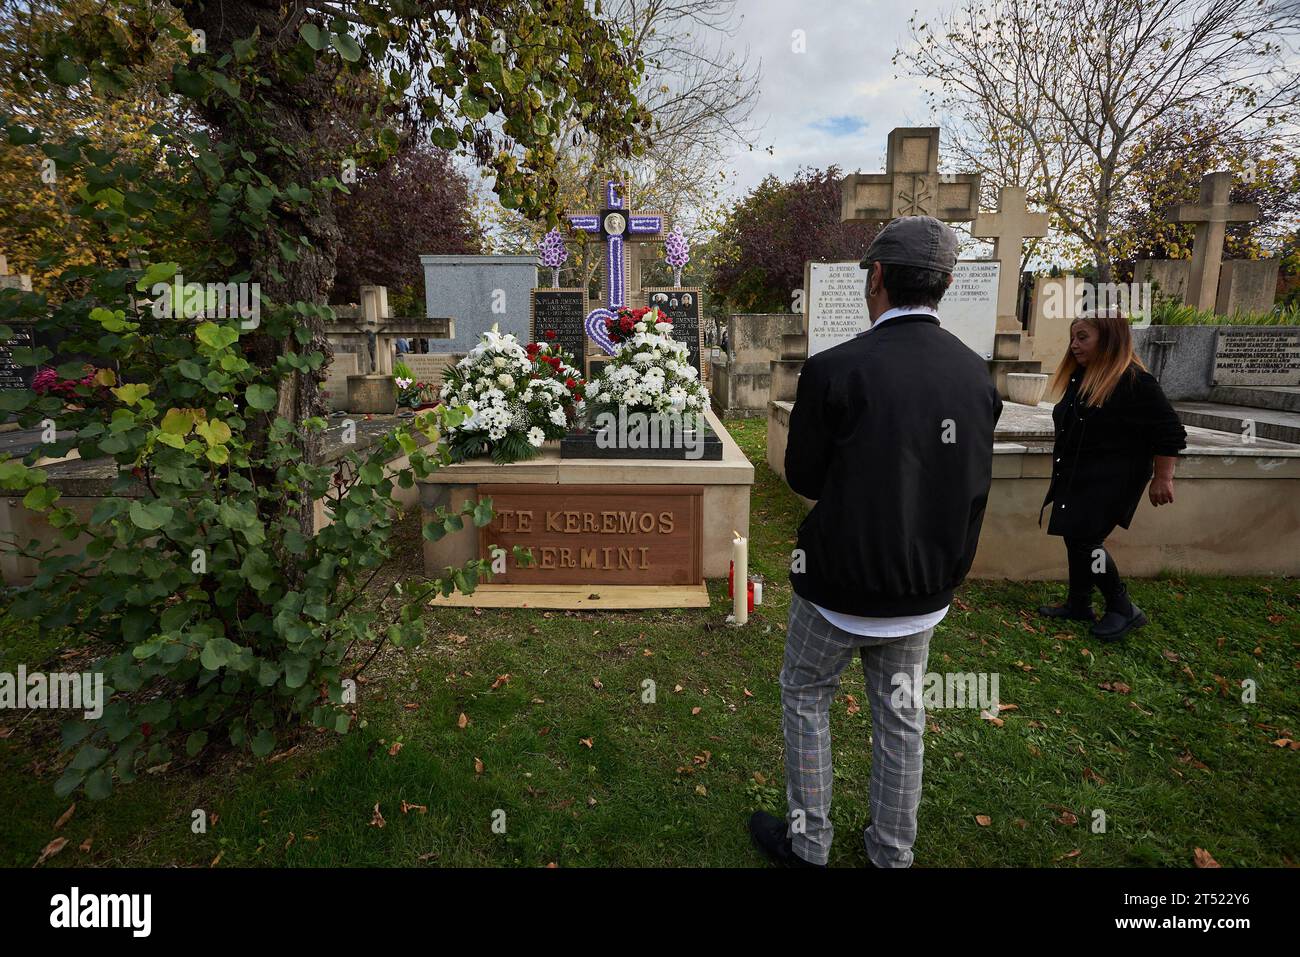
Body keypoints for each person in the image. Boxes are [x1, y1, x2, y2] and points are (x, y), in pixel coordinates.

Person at [749, 216, 1002, 869]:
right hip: (923, 587)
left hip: (837, 583)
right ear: (946, 282)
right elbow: (974, 487)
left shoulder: (837, 368)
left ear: (878, 277)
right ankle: (892, 852)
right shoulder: (975, 376)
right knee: (901, 717)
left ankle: (810, 844)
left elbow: (803, 473)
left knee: (806, 698)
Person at [1037, 309, 1186, 640]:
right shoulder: (1083, 377)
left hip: (1113, 478)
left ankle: (1123, 608)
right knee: (1074, 536)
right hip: (1079, 473)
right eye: (1073, 338)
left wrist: (1163, 478)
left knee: (1087, 542)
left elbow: (1171, 433)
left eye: (1083, 337)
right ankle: (1079, 604)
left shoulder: (1135, 381)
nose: (1074, 345)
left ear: (1109, 339)